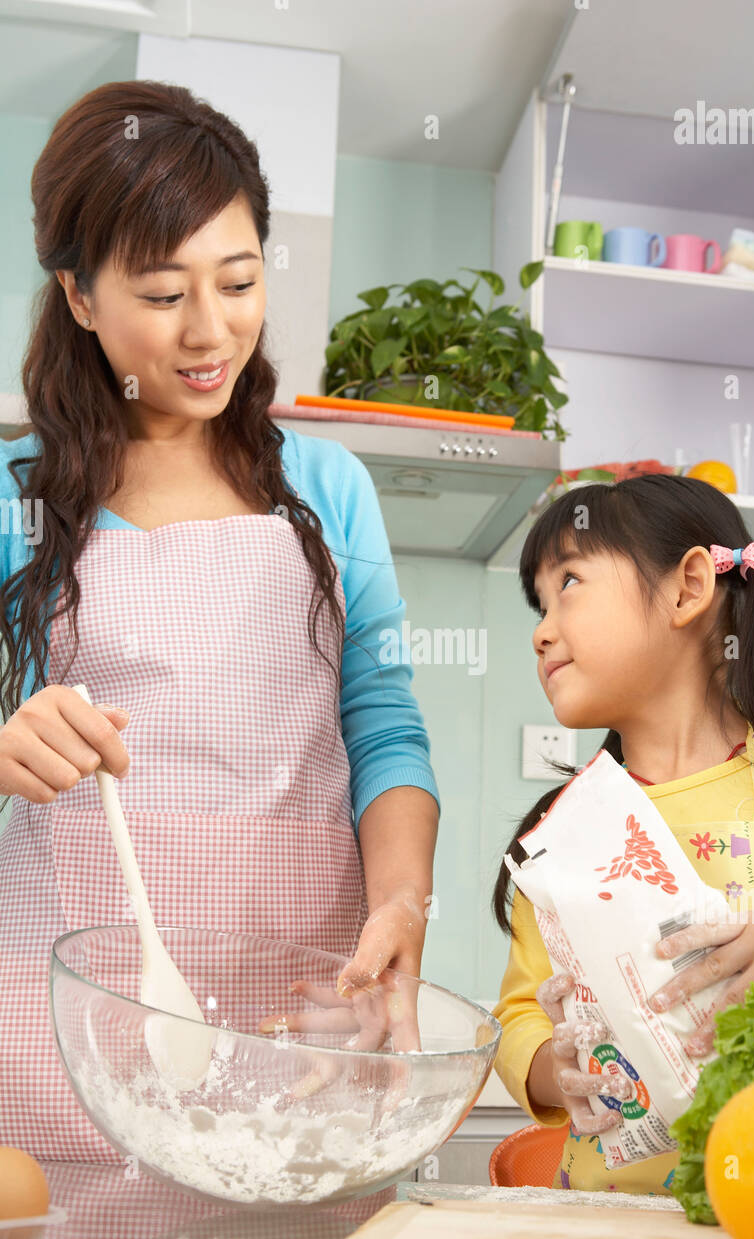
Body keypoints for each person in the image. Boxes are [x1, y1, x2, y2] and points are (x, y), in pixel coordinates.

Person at [0, 79, 439, 1162]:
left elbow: (382, 721)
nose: (209, 332)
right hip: (68, 1029)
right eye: (160, 294)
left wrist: (401, 908)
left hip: (306, 1012)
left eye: (237, 282)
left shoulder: (327, 490)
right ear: (81, 296)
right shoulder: (16, 501)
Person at [491, 474, 754, 1193]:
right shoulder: (560, 832)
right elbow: (519, 1010)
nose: (542, 628)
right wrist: (552, 1067)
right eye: (539, 603)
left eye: (569, 581)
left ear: (688, 588)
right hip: (605, 1228)